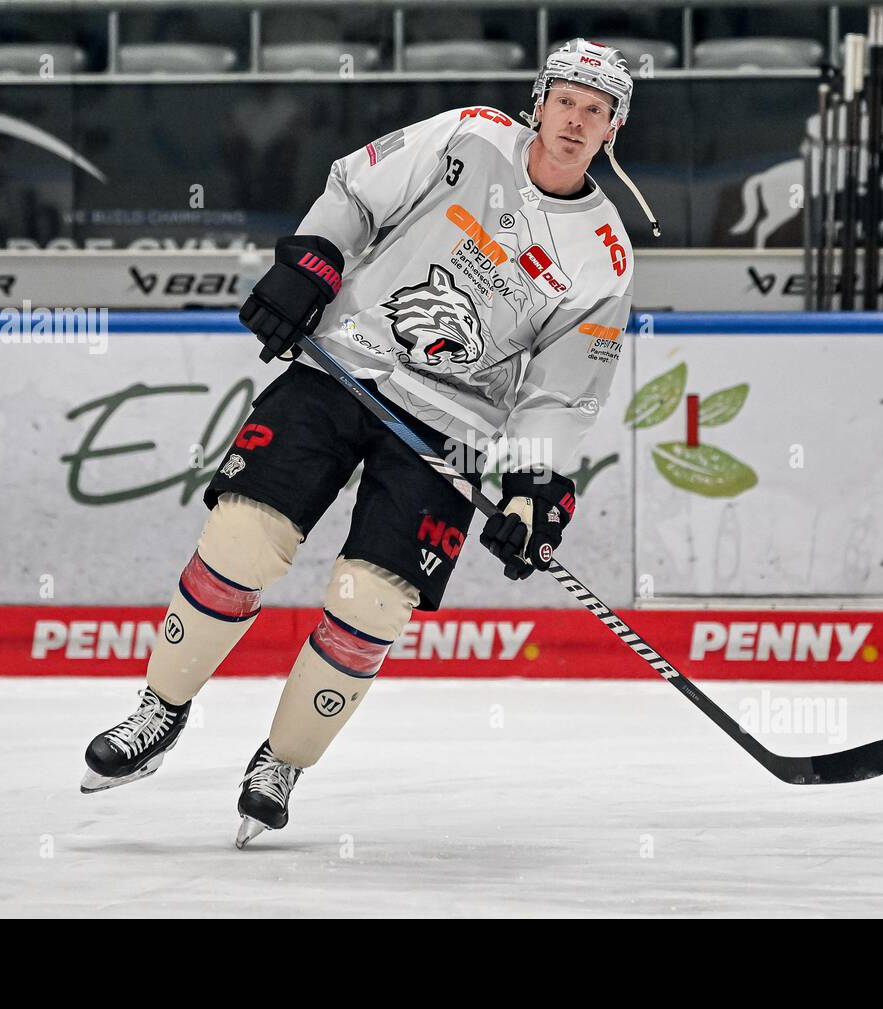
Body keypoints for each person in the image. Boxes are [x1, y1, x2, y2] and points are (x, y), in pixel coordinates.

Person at [80, 38, 657, 848]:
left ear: (612, 131)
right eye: (566, 100)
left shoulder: (604, 255)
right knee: (242, 537)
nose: (575, 119)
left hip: (450, 426)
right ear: (540, 101)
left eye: (594, 111)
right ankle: (159, 710)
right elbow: (357, 189)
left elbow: (562, 390)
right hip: (342, 363)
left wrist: (534, 484)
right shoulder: (471, 133)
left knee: (372, 603)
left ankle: (280, 762)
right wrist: (313, 262)